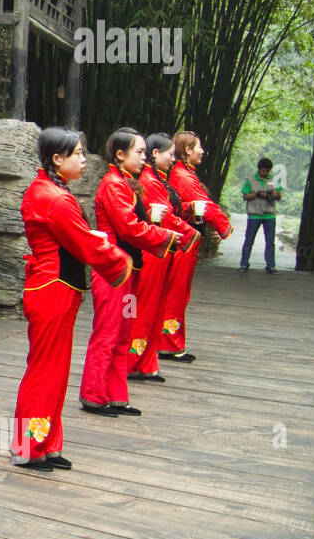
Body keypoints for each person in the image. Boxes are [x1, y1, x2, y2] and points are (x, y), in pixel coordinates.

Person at [13, 128, 131, 472]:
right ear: (57, 159)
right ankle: (27, 446)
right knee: (44, 372)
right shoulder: (55, 198)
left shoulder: (47, 190)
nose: (83, 159)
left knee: (55, 371)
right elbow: (84, 243)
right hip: (53, 288)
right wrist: (120, 261)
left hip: (53, 287)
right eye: (78, 153)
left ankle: (46, 443)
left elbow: (75, 238)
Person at [79, 129, 179, 417]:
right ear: (120, 154)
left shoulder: (126, 182)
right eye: (139, 152)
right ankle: (94, 395)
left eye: (145, 152)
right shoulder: (112, 184)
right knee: (108, 333)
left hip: (129, 272)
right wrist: (167, 237)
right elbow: (129, 228)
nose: (144, 158)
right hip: (112, 272)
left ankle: (117, 395)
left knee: (123, 332)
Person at [127, 133, 199, 383]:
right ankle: (133, 361)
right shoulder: (147, 179)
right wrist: (190, 233)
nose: (173, 157)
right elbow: (164, 216)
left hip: (161, 249)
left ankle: (146, 362)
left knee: (155, 308)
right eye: (169, 152)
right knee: (142, 309)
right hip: (150, 252)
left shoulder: (159, 178)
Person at [160, 131, 233, 363]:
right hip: (184, 240)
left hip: (186, 239)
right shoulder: (182, 175)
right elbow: (207, 207)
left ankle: (169, 341)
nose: (202, 151)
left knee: (178, 293)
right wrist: (224, 226)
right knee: (176, 294)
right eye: (198, 147)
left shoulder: (184, 174)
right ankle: (169, 344)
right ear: (187, 150)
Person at [239, 157, 282, 273]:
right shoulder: (251, 180)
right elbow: (245, 196)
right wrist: (257, 194)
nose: (265, 173)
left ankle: (271, 266)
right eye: (263, 170)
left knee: (270, 242)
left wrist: (273, 194)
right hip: (254, 215)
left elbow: (279, 196)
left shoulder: (273, 180)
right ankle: (244, 264)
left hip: (269, 215)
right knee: (249, 241)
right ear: (259, 169)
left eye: (267, 171)